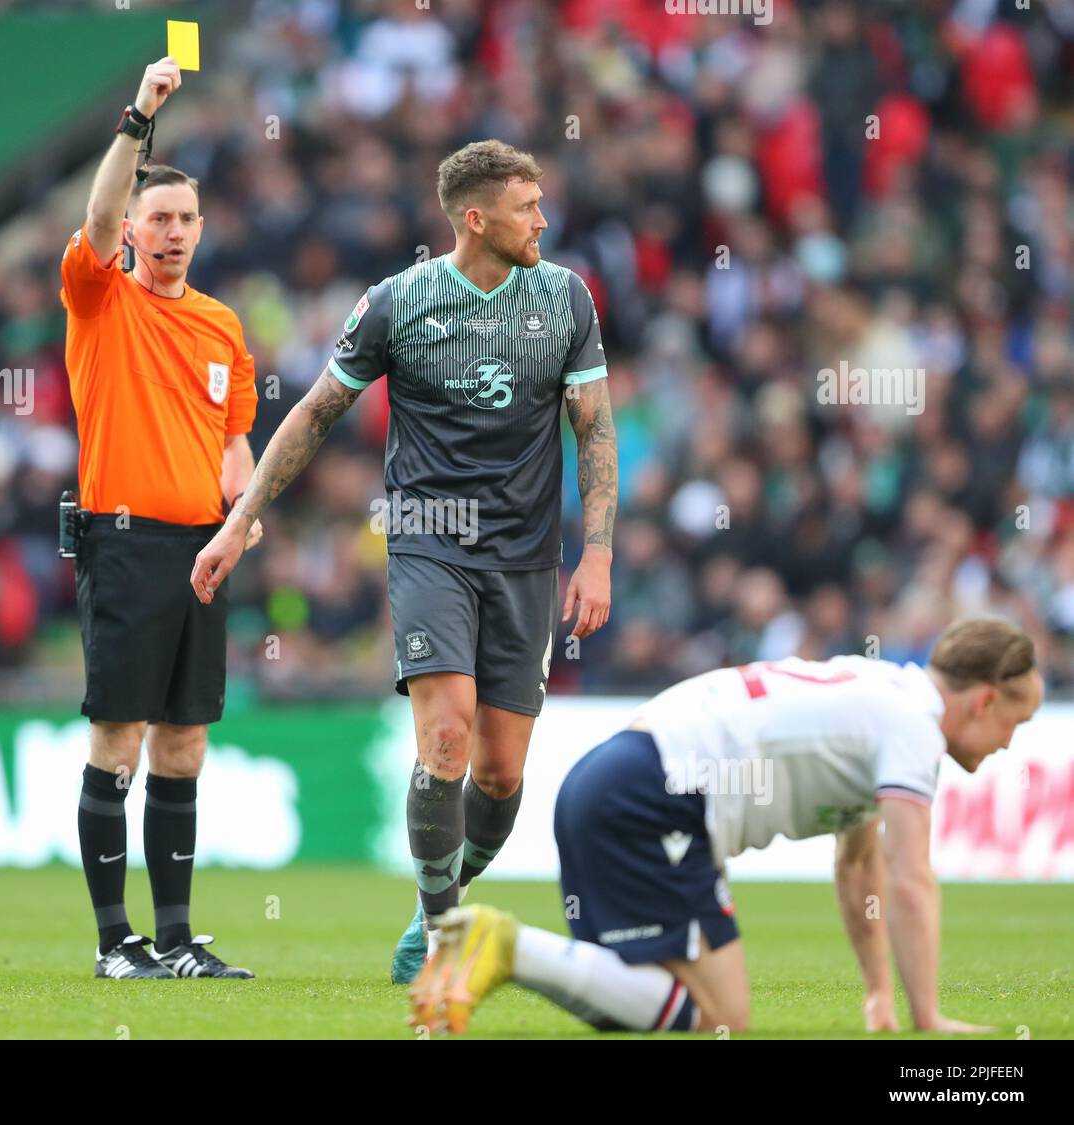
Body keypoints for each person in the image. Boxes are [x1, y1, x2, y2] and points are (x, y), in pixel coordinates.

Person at [189, 140, 618, 983]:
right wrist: (240, 521)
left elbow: (593, 427)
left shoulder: (565, 298)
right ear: (476, 217)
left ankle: (440, 897)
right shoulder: (397, 304)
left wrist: (597, 553)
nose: (542, 219)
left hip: (527, 557)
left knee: (499, 773)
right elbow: (316, 412)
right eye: (527, 206)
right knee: (447, 736)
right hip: (427, 539)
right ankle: (444, 930)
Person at [410, 617, 1044, 1035]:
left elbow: (861, 867)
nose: (1007, 746)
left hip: (612, 780)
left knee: (644, 1000)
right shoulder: (914, 727)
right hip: (657, 799)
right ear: (984, 699)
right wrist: (929, 1020)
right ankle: (509, 944)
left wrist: (882, 996)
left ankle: (507, 948)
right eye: (1013, 724)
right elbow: (909, 880)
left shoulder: (884, 693)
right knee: (721, 1017)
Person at [60, 57, 260, 980]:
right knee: (121, 740)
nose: (171, 234)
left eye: (185, 221)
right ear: (131, 232)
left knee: (184, 743)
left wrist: (242, 516)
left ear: (201, 230)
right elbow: (95, 216)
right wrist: (141, 113)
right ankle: (114, 944)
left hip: (201, 551)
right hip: (127, 540)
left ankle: (175, 940)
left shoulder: (222, 325)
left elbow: (233, 444)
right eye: (157, 221)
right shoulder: (100, 296)